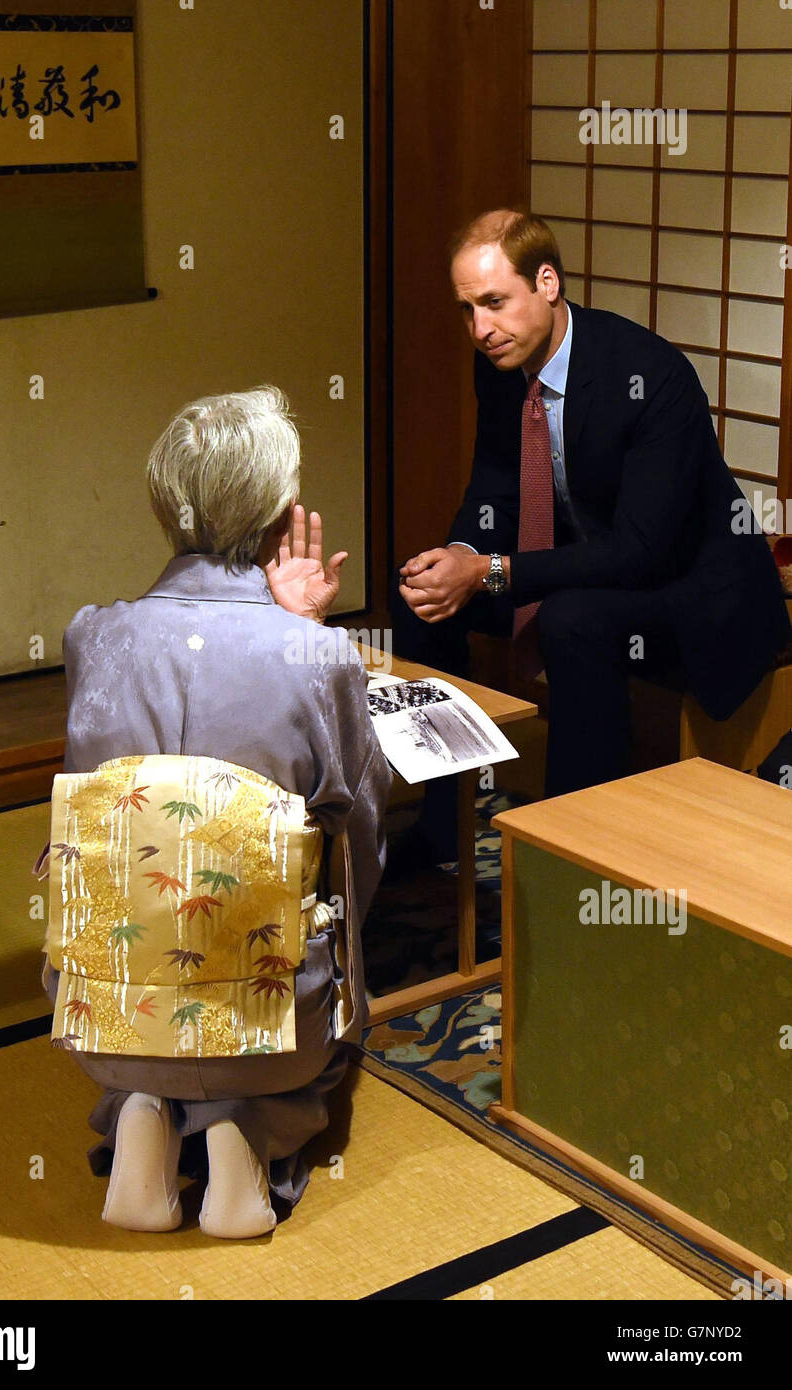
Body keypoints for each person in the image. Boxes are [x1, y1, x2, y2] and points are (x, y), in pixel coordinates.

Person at [38, 386, 392, 1237]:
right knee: (325, 886)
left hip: (104, 1011)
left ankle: (137, 1110)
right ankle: (247, 1130)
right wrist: (297, 632)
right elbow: (361, 836)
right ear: (277, 512)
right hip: (272, 1018)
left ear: (165, 504)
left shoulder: (96, 637)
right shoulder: (317, 653)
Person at [393, 208, 791, 854]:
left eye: (494, 302)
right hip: (586, 564)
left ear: (547, 283)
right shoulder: (500, 363)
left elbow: (641, 551)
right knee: (417, 591)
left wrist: (493, 571)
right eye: (467, 310)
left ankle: (575, 849)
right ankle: (444, 815)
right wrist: (463, 554)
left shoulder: (649, 376)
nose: (481, 329)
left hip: (695, 587)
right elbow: (492, 488)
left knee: (572, 621)